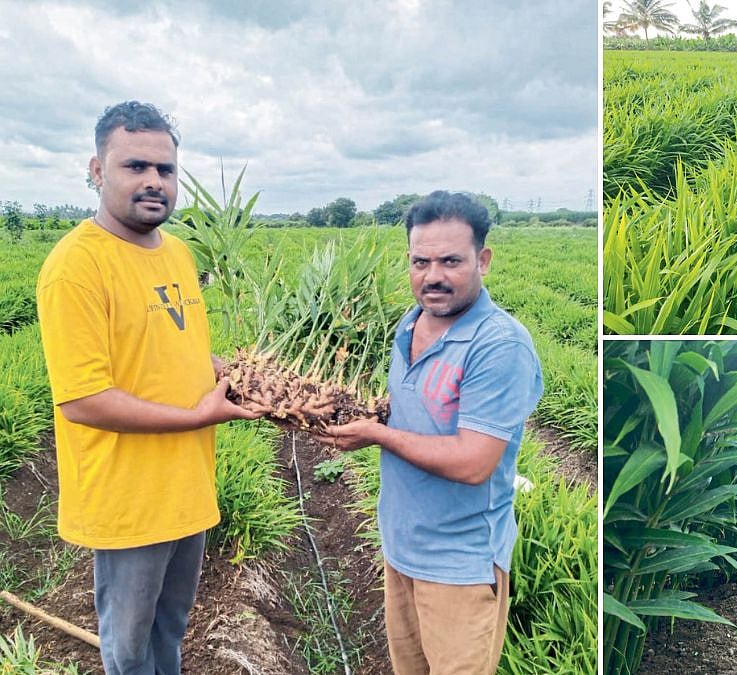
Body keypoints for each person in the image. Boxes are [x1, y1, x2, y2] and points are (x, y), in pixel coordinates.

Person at [35, 101, 263, 675]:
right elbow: (83, 400)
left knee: (171, 628)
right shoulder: (76, 267)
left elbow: (175, 345)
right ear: (96, 170)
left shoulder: (179, 254)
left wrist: (232, 372)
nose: (153, 181)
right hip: (129, 499)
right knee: (130, 649)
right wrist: (202, 416)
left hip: (186, 484)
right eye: (135, 166)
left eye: (165, 169)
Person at [317, 191, 543, 674]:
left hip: (458, 567)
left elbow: (473, 462)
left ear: (483, 260)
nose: (433, 276)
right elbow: (409, 414)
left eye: (450, 261)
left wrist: (378, 437)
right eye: (421, 261)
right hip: (401, 548)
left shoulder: (499, 346)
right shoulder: (410, 323)